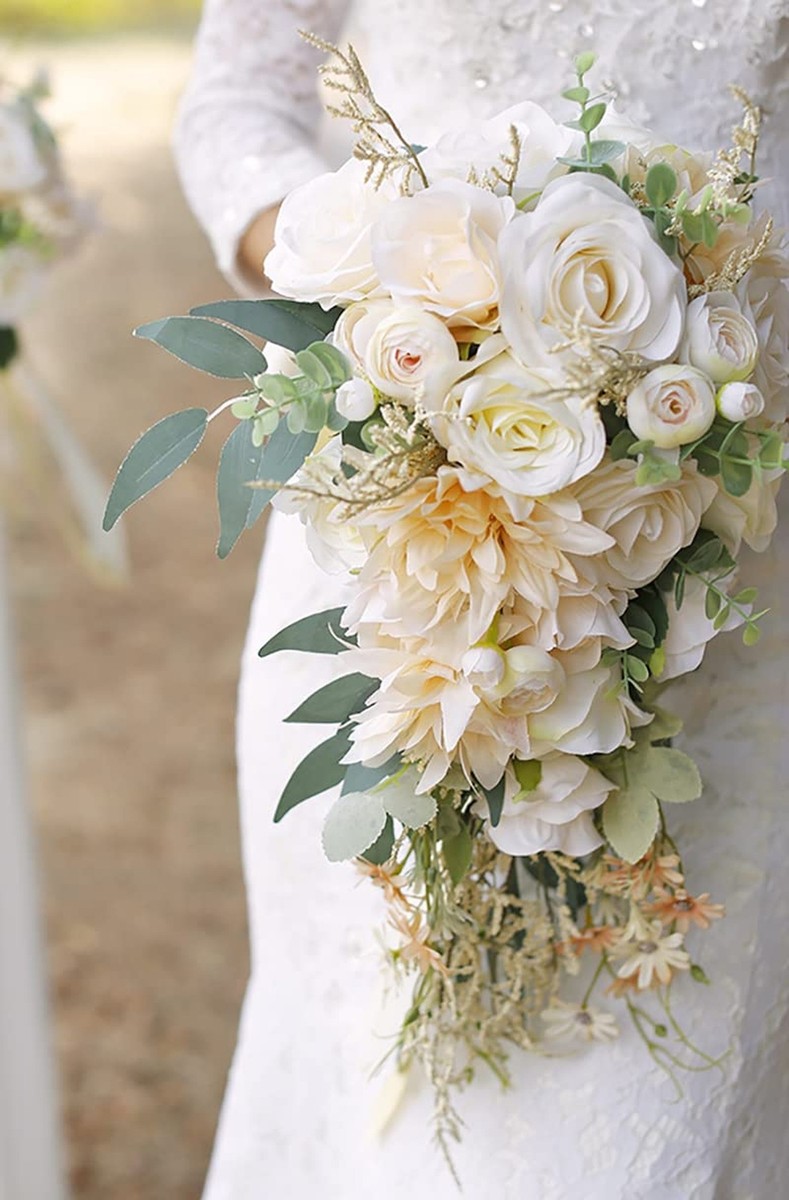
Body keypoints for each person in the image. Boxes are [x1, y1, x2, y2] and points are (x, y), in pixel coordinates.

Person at [175, 4, 789, 1196]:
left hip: (725, 530)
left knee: (660, 1113)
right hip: (397, 534)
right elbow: (233, 106)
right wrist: (382, 312)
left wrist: (707, 345)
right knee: (377, 1084)